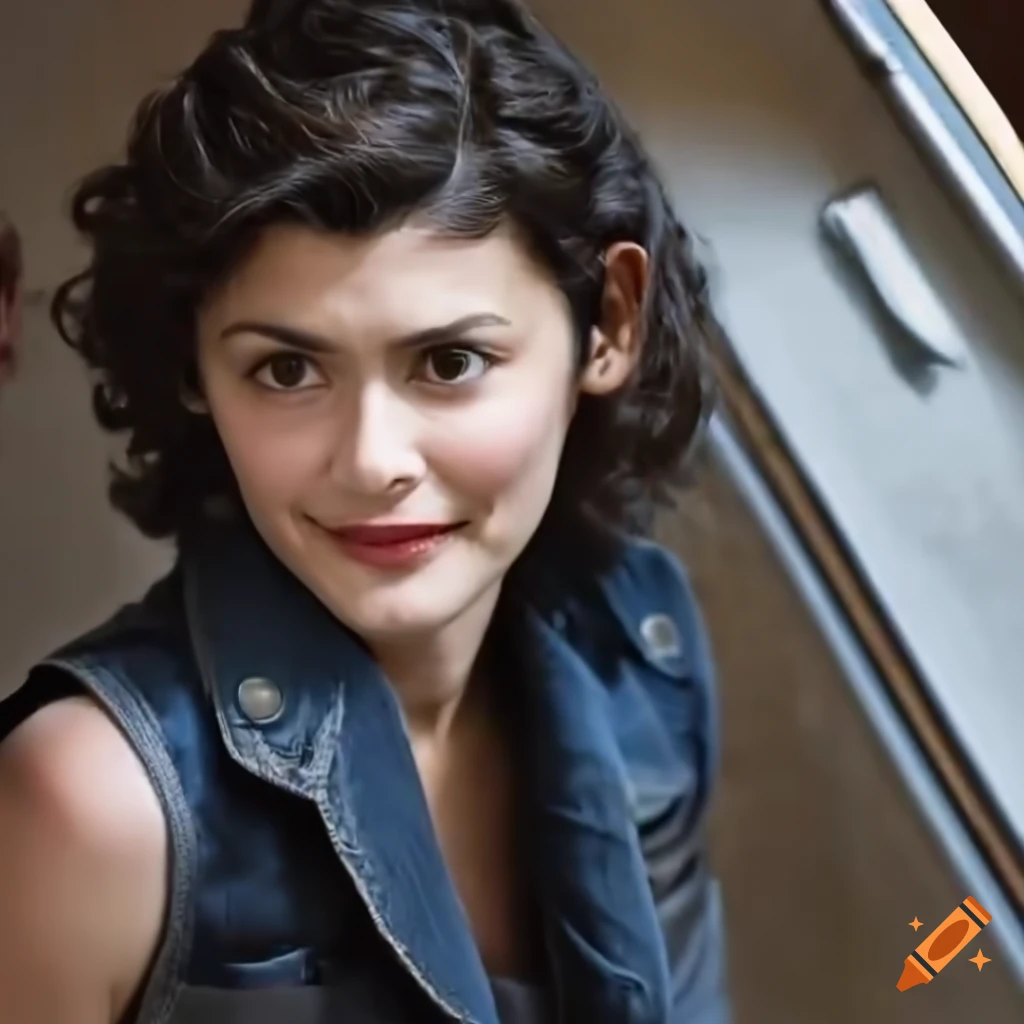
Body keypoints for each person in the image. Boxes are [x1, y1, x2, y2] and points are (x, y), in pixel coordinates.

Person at [0, 0, 730, 1021]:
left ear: (606, 324)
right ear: (193, 368)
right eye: (287, 368)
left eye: (448, 362)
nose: (372, 460)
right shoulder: (89, 800)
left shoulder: (641, 653)